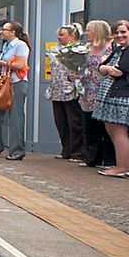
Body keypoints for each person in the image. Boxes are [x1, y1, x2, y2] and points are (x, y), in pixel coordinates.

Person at [92, 19, 129, 178]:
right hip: (114, 94)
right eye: (116, 32)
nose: (119, 35)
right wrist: (106, 68)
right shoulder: (119, 50)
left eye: (123, 32)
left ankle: (123, 167)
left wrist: (107, 69)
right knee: (112, 130)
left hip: (125, 94)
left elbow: (120, 70)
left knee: (119, 132)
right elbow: (102, 66)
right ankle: (124, 166)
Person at [0, 21, 31, 160]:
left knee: (16, 117)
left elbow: (21, 65)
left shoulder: (21, 45)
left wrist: (0, 62)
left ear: (13, 32)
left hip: (17, 83)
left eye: (5, 30)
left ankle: (17, 151)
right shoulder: (6, 46)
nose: (1, 32)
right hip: (5, 83)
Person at [78, 20, 117, 168]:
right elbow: (80, 67)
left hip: (104, 91)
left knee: (106, 127)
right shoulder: (86, 49)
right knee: (89, 126)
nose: (86, 34)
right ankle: (92, 158)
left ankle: (110, 160)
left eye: (89, 31)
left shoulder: (112, 48)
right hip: (88, 92)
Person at [47, 23, 86, 161]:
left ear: (72, 35)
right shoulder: (58, 51)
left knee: (74, 122)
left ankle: (77, 151)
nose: (59, 37)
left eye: (62, 34)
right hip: (57, 90)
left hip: (71, 90)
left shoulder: (80, 51)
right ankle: (66, 149)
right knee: (61, 122)